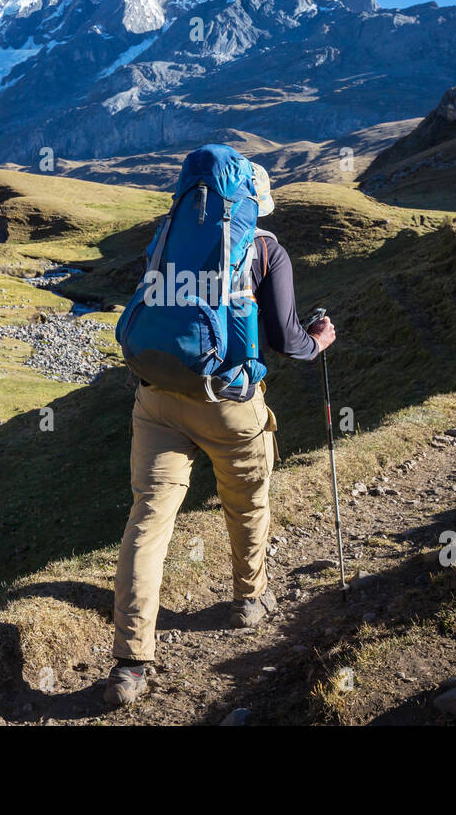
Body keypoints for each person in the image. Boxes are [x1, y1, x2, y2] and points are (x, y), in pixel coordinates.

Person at [104, 158, 336, 706]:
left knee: (149, 518)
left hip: (157, 395)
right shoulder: (264, 247)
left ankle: (130, 663)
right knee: (248, 503)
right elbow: (287, 340)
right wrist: (321, 339)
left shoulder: (168, 234)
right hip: (228, 403)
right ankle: (248, 600)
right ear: (253, 203)